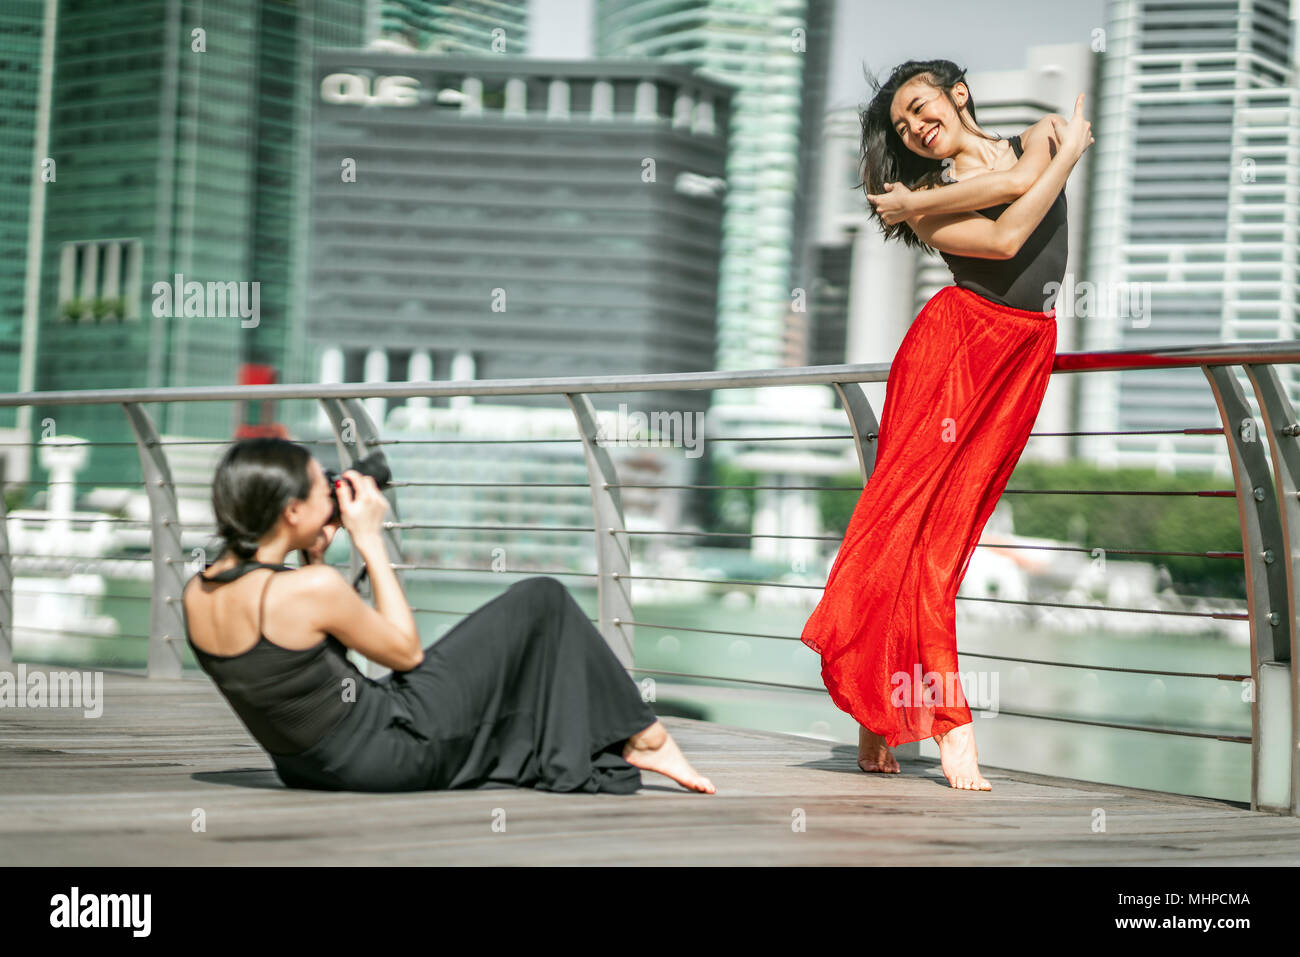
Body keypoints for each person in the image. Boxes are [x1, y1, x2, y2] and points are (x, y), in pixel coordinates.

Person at [800, 59, 1093, 790]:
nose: (915, 126)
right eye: (902, 126)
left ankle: (875, 722)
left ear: (958, 93)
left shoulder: (1024, 142)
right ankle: (953, 725)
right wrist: (1068, 155)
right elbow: (1005, 238)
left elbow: (1020, 179)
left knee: (946, 537)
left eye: (920, 106)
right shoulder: (926, 199)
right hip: (955, 352)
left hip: (1023, 354)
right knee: (917, 538)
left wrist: (1048, 153)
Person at [181, 436, 715, 795]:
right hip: (392, 755)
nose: (333, 495)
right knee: (541, 599)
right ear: (292, 511)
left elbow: (302, 671)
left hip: (307, 769)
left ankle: (615, 735)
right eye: (324, 489)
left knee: (501, 645)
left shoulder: (197, 593)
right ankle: (646, 739)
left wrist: (314, 554)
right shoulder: (310, 590)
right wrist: (369, 541)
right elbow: (405, 652)